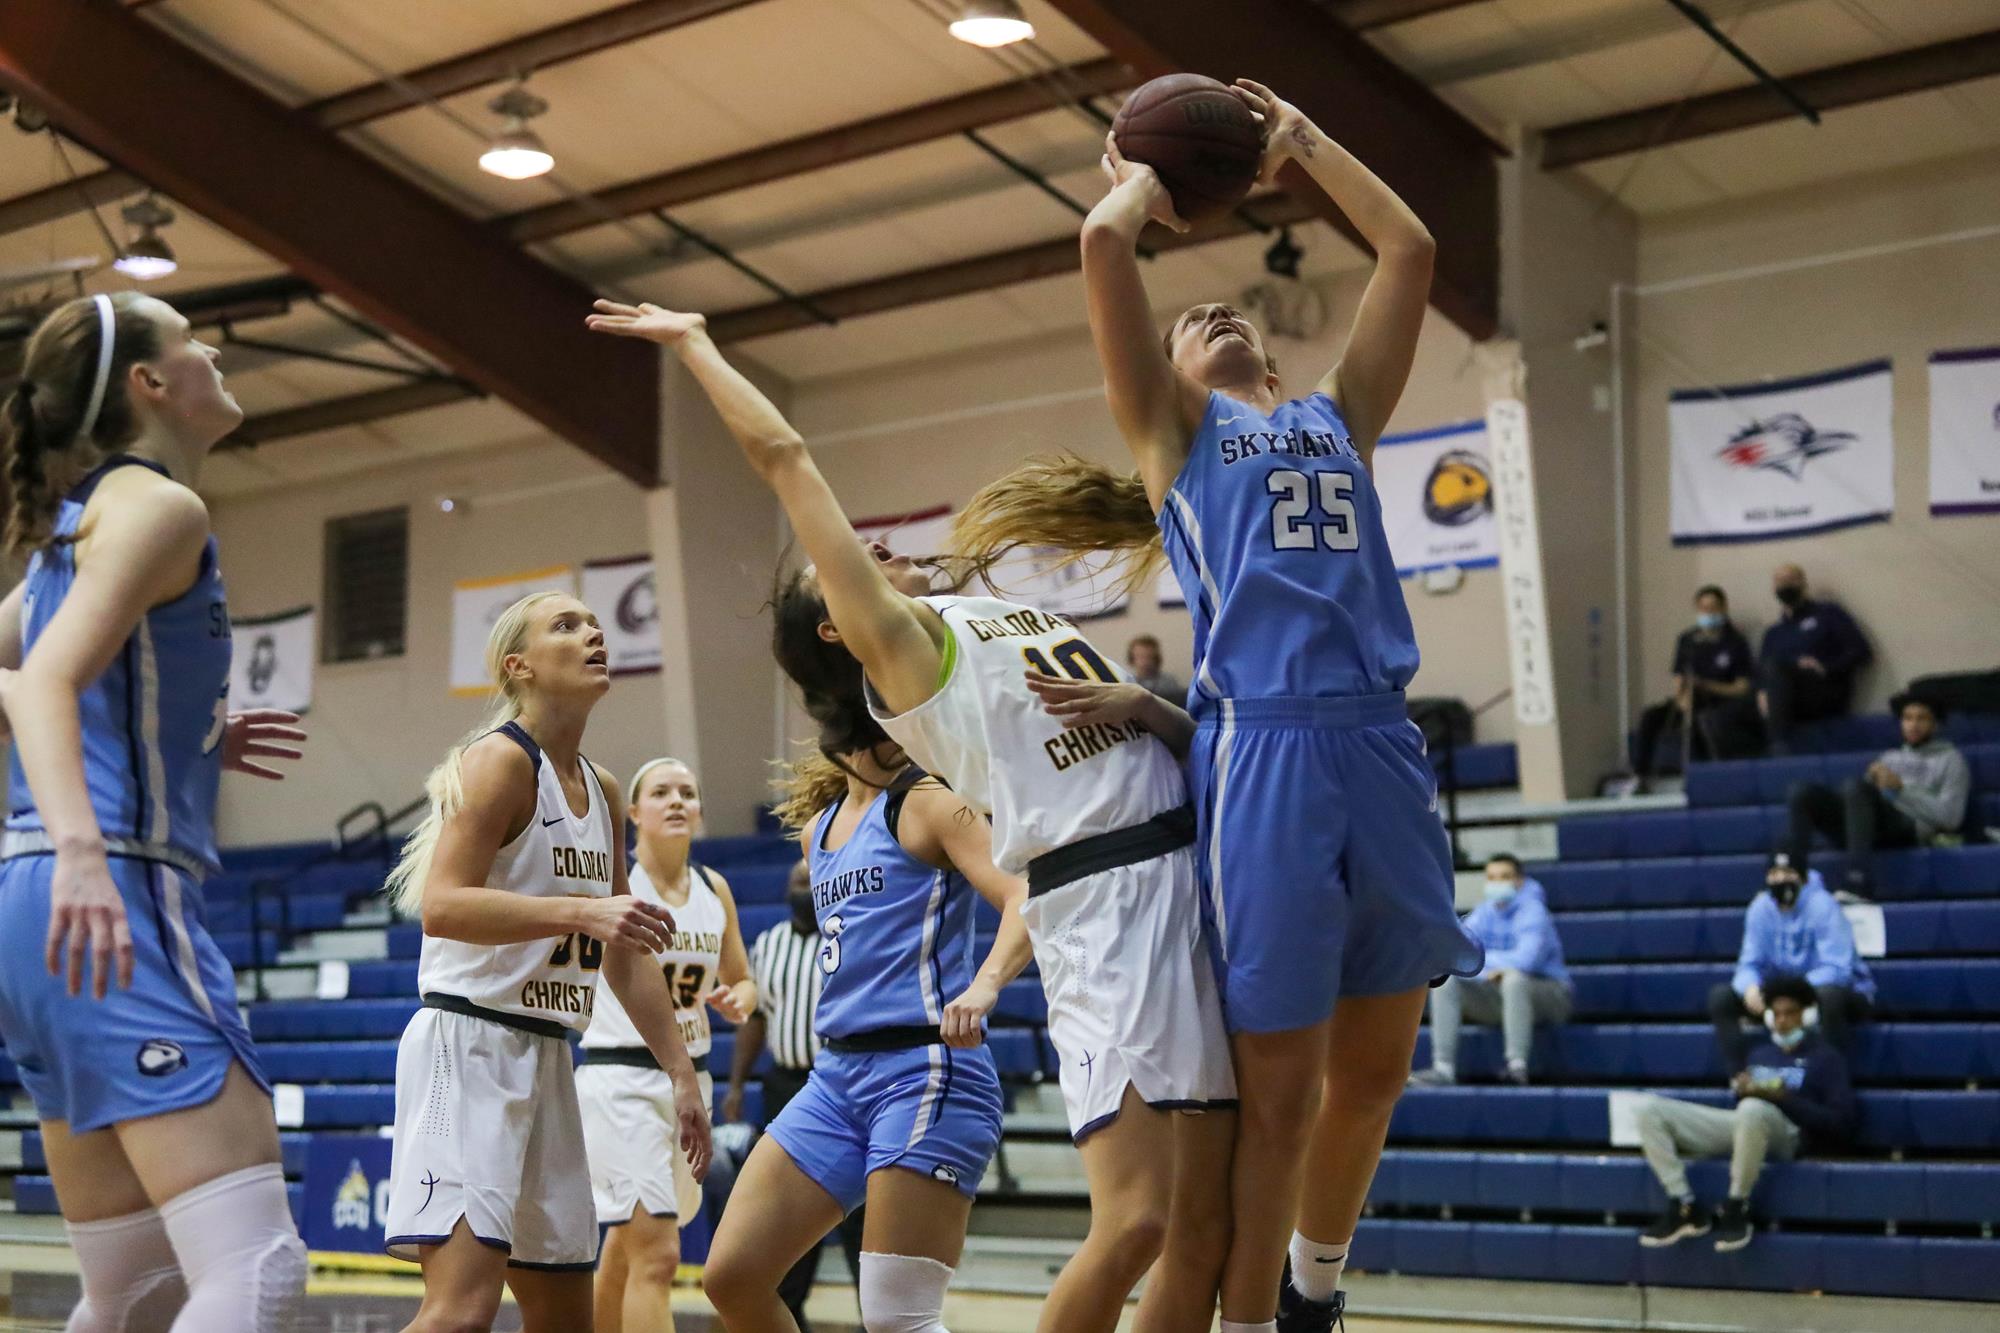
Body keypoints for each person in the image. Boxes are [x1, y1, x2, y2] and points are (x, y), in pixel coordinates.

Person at [588, 299, 1238, 1333]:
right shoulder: (898, 656)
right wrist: (694, 345)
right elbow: (785, 457)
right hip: (1034, 935)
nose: (873, 546)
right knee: (1137, 1222)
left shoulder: (967, 635)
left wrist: (1147, 705)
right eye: (845, 565)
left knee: (1179, 1224)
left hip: (1138, 885)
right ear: (841, 628)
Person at [954, 76, 1485, 1330]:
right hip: (1267, 758)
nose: (1210, 310)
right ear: (1167, 374)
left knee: (1374, 1075)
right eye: (1189, 321)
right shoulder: (1172, 436)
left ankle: (1313, 1291)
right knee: (1282, 1093)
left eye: (1229, 312)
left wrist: (1305, 146)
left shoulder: (1337, 417)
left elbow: (1409, 248)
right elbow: (1102, 243)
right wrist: (1149, 174)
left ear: (1274, 360)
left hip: (1381, 741)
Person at [0, 291, 314, 1332]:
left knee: (136, 1293)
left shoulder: (74, 530)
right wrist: (86, 849)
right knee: (258, 1266)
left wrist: (181, 733)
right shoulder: (159, 506)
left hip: (28, 901)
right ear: (148, 383)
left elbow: (35, 682)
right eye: (189, 339)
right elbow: (43, 684)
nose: (211, 349)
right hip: (110, 882)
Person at [379, 591, 711, 1333]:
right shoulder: (500, 761)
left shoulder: (604, 787)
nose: (593, 632)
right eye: (566, 625)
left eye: (593, 622)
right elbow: (442, 906)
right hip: (469, 1047)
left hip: (550, 1056)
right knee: (459, 1313)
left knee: (565, 1321)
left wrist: (680, 1073)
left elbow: (625, 952)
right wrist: (580, 911)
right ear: (518, 666)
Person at [580, 756, 756, 1333]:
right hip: (620, 1081)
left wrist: (739, 999)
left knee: (626, 1249)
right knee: (657, 1255)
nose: (677, 800)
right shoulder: (616, 885)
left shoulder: (714, 888)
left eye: (687, 791)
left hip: (690, 1084)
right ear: (633, 813)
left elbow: (743, 978)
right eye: (661, 792)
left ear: (700, 811)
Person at [724, 860, 864, 1330]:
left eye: (811, 881)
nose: (804, 889)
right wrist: (737, 1083)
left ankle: (876, 1318)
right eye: (797, 882)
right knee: (788, 1218)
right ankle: (791, 1317)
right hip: (786, 1084)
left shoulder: (850, 938)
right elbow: (756, 1020)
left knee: (860, 1219)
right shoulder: (768, 944)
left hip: (843, 1084)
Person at [1635, 973, 1856, 1253]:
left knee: (1753, 1109)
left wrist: (1785, 1099)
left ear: (1807, 1015)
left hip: (1791, 1135)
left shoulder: (1826, 1058)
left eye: (1790, 1013)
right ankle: (1684, 1204)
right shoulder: (1759, 1054)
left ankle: (1737, 1205)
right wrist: (1744, 1090)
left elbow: (1842, 1122)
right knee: (1649, 1109)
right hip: (1748, 1125)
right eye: (1776, 1014)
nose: (1782, 1021)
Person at [1409, 855, 1570, 1087]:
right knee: (1448, 981)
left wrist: (1488, 966)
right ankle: (1443, 1068)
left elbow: (1526, 960)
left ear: (1519, 881)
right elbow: (1459, 953)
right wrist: (1494, 969)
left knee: (1514, 979)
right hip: (1502, 996)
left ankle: (1517, 1067)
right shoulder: (1485, 911)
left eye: (1505, 877)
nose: (1497, 883)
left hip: (1551, 996)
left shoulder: (1533, 910)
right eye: (1492, 877)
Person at [1787, 695, 1971, 895]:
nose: (1913, 725)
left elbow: (1951, 817)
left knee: (1855, 787)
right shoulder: (1889, 758)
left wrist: (1902, 790)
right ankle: (1792, 881)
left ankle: (1858, 881)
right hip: (1872, 826)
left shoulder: (1951, 760)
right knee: (1802, 792)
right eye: (1908, 718)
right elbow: (1858, 800)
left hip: (1909, 826)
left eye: (1922, 718)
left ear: (1936, 724)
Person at [1709, 851, 1874, 1071]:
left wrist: (1794, 992)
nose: (1781, 880)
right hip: (1781, 995)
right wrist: (1749, 988)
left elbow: (1838, 969)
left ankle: (1828, 1075)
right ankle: (1739, 1076)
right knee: (1721, 997)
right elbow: (1748, 964)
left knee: (1829, 996)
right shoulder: (1759, 909)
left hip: (1835, 993)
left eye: (1788, 872)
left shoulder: (1824, 905)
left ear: (1802, 878)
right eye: (1774, 873)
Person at [1631, 585, 1757, 780]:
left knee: (1702, 718)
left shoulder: (1736, 642)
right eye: (1703, 608)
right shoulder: (1688, 640)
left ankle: (1704, 776)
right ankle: (1640, 775)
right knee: (1651, 716)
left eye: (1713, 607)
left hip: (1720, 702)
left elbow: (1742, 688)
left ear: (1723, 608)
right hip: (1687, 701)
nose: (1708, 612)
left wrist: (1706, 686)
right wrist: (1682, 698)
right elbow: (1679, 677)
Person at [1758, 565, 1871, 753]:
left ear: (1803, 583)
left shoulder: (1829, 613)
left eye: (1791, 579)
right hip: (1783, 697)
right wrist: (1761, 691)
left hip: (1824, 689)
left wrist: (1824, 666)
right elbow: (1760, 671)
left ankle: (1778, 745)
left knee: (1777, 668)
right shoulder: (1773, 633)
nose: (1785, 585)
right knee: (1725, 714)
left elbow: (1862, 652)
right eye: (1779, 581)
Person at [1125, 633, 1183, 703]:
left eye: (1149, 657)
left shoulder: (1169, 682)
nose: (1145, 662)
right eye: (1140, 656)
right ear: (1131, 658)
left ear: (1156, 658)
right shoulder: (1127, 684)